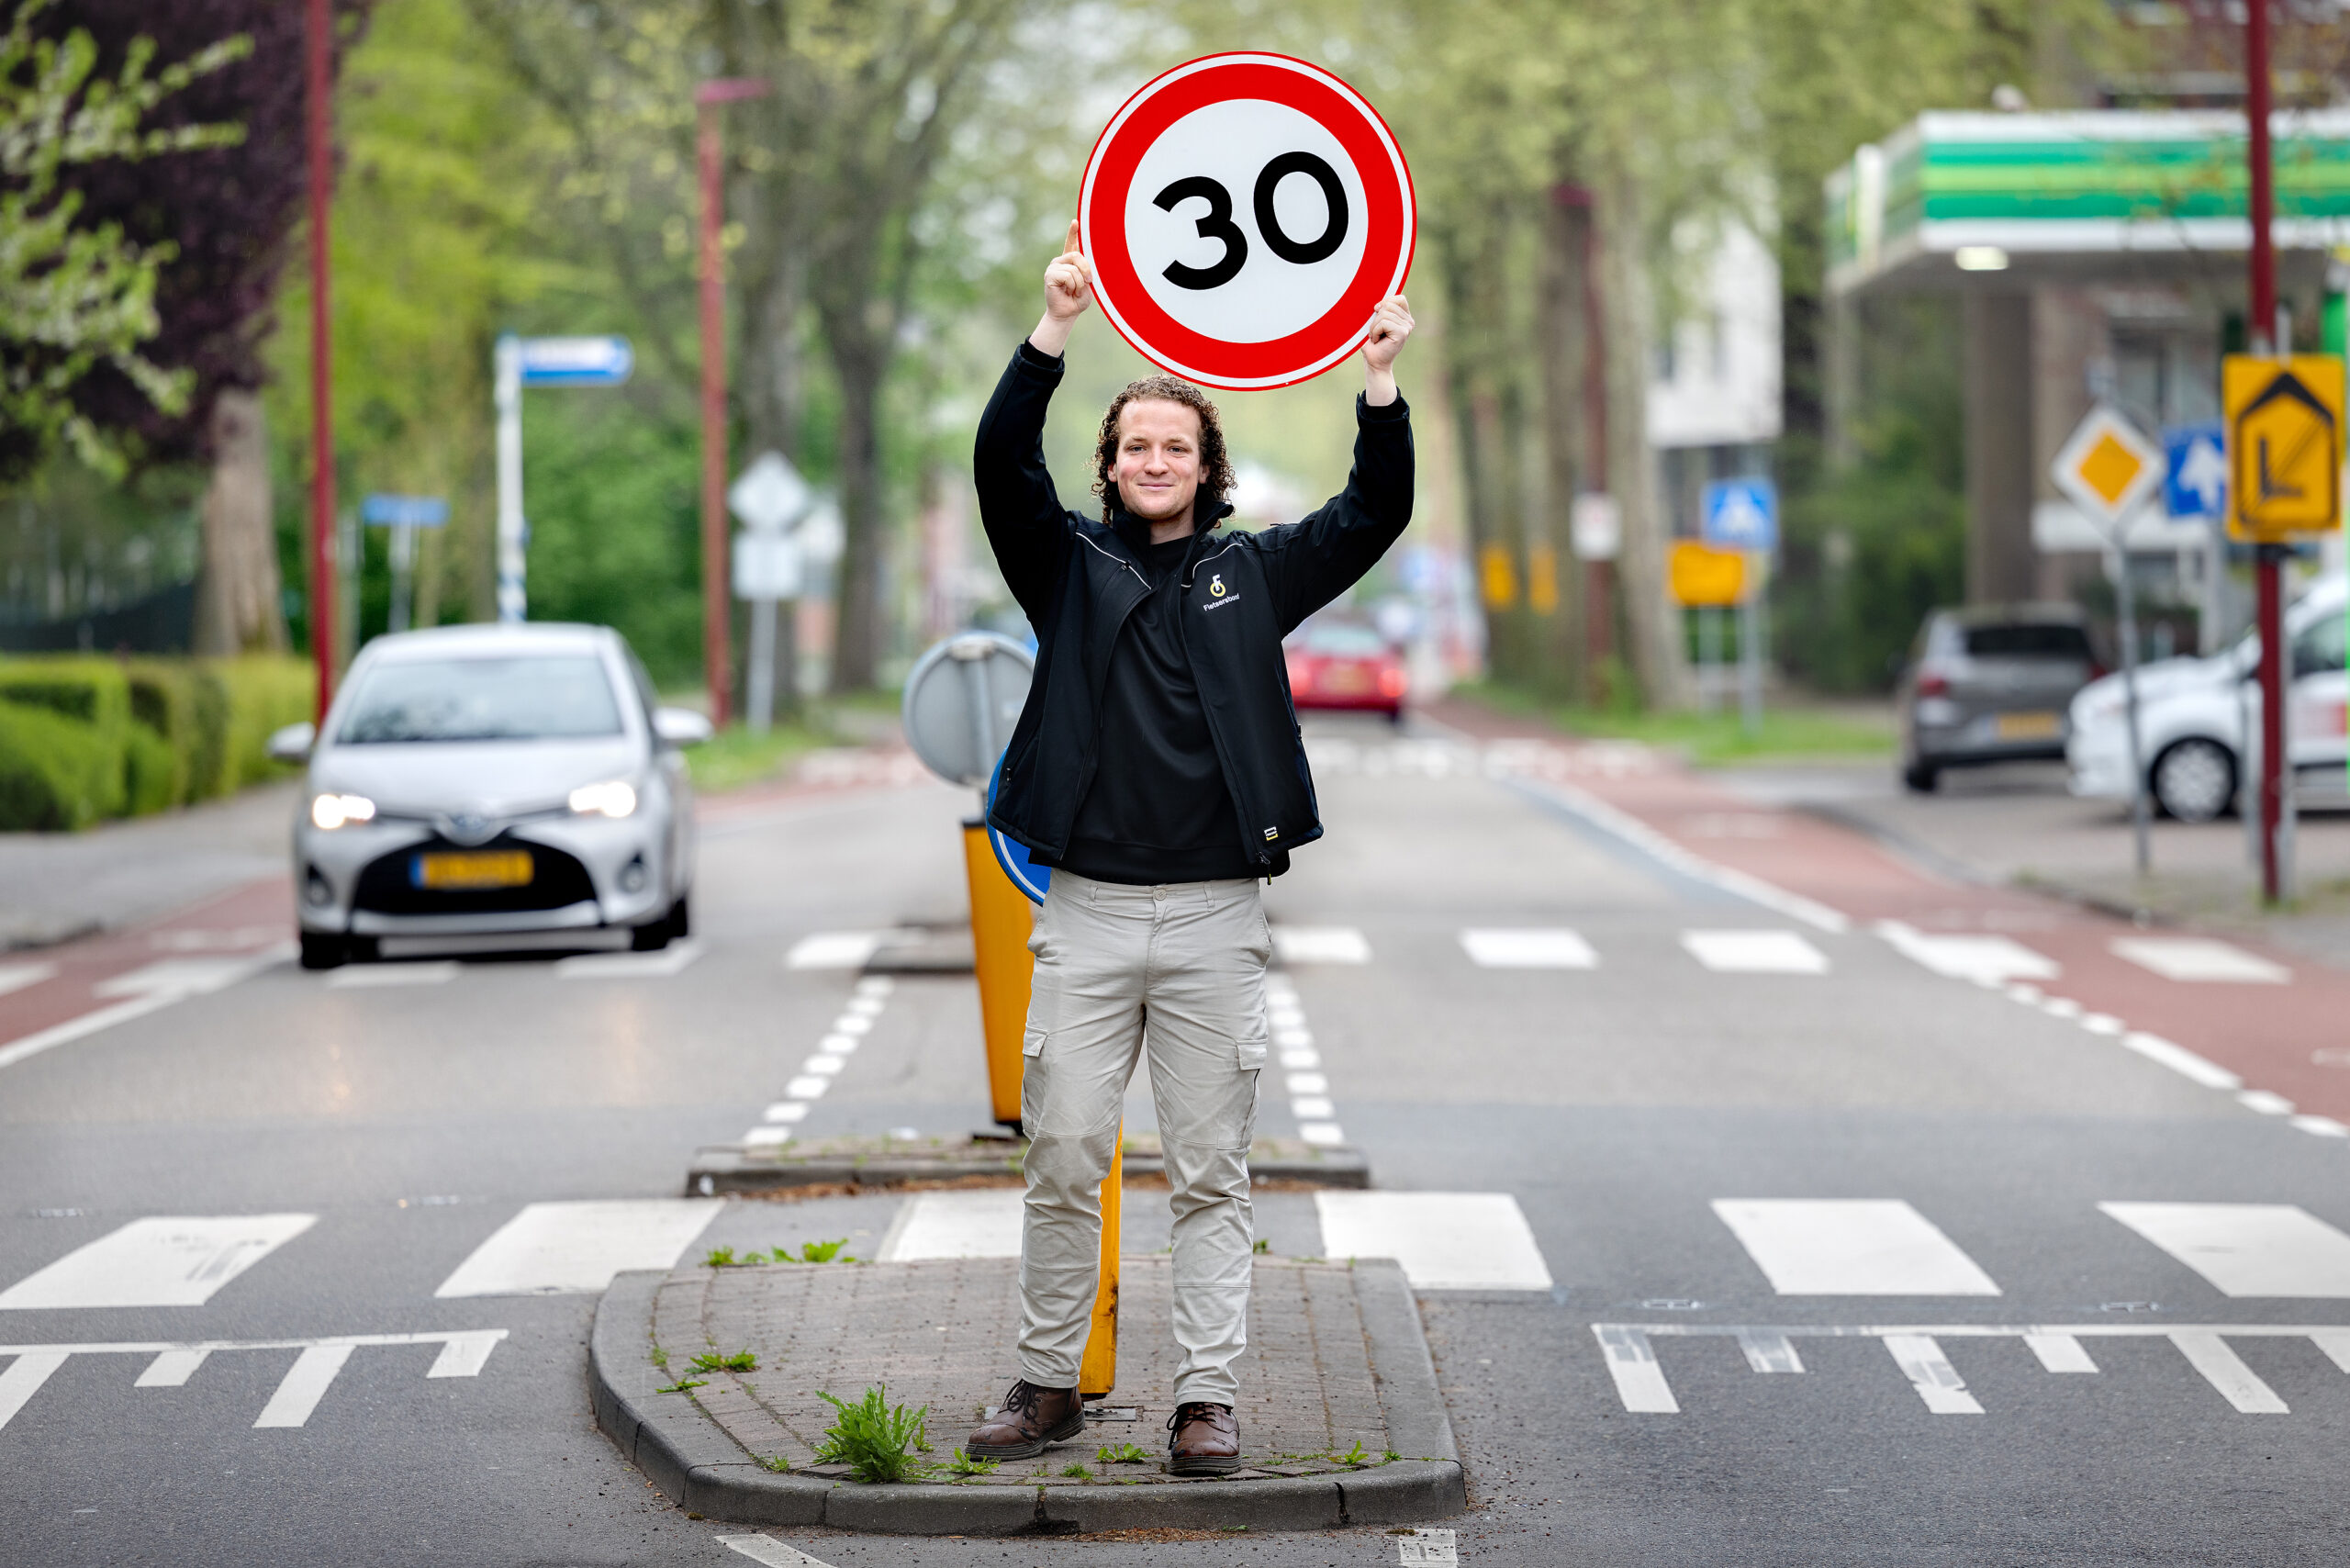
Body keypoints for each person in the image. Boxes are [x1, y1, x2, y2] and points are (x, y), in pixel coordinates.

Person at [964, 221, 1415, 1475]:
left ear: (1204, 465)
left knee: (1211, 1174)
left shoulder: (1252, 574)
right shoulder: (1066, 565)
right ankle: (1049, 1384)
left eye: (1175, 444)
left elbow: (1377, 509)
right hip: (1091, 910)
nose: (1153, 460)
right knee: (1061, 1156)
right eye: (1134, 446)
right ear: (1110, 466)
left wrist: (1377, 382)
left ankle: (1204, 1399)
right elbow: (1002, 462)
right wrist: (1053, 328)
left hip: (1217, 913)